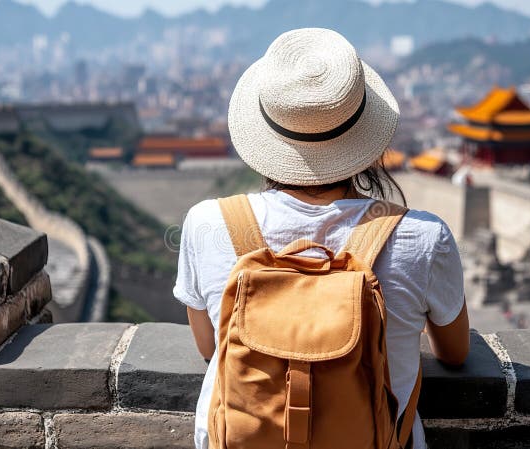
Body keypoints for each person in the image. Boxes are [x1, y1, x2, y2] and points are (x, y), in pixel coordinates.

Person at [174, 27, 469, 449]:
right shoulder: (423, 236)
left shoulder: (208, 223)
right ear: (364, 136)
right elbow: (454, 353)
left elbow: (209, 346)